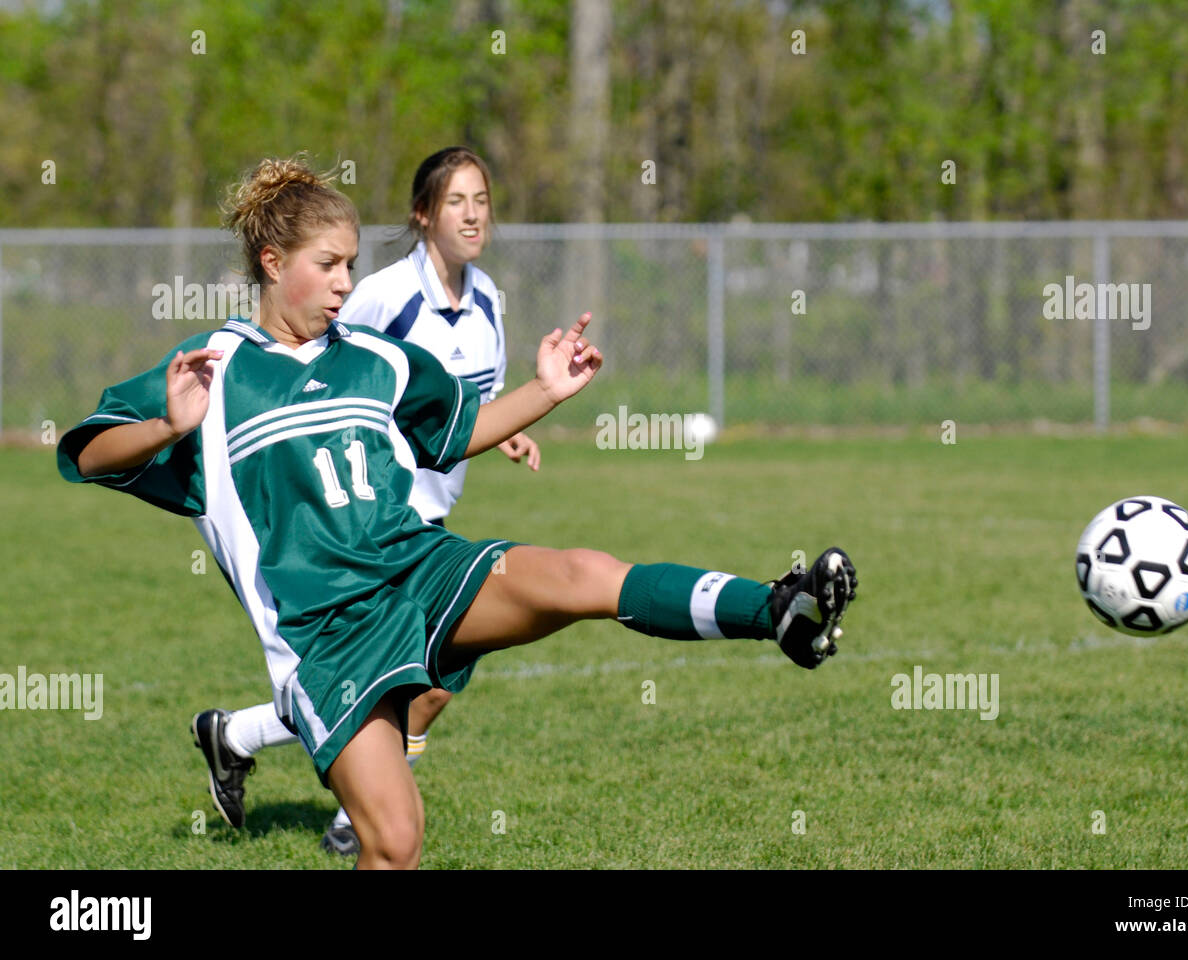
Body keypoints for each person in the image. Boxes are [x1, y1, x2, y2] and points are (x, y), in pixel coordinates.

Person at [56, 156, 857, 869]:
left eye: (351, 265)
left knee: (581, 575)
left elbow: (456, 432)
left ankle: (777, 607)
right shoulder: (215, 369)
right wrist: (166, 427)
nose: (344, 283)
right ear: (271, 263)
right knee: (395, 842)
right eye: (327, 265)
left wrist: (543, 391)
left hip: (417, 569)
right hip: (323, 636)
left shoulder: (374, 359)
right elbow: (86, 454)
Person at [188, 147, 538, 857]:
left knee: (411, 679)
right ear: (422, 215)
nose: (472, 214)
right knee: (412, 677)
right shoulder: (377, 295)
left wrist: (500, 429)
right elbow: (336, 370)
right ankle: (364, 815)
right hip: (374, 517)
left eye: (482, 200)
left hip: (434, 506)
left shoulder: (489, 298)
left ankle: (235, 735)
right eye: (456, 201)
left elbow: (455, 398)